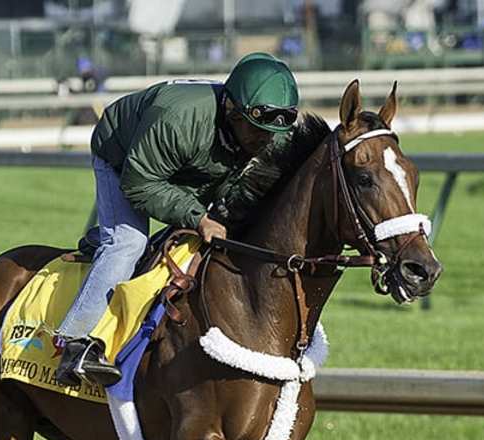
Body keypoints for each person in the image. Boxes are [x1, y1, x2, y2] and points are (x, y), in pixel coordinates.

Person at [54, 52, 300, 388]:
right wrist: (199, 218)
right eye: (257, 130)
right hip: (125, 157)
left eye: (271, 132)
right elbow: (139, 184)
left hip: (191, 162)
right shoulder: (178, 119)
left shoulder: (273, 131)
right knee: (129, 242)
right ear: (231, 110)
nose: (265, 140)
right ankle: (76, 343)